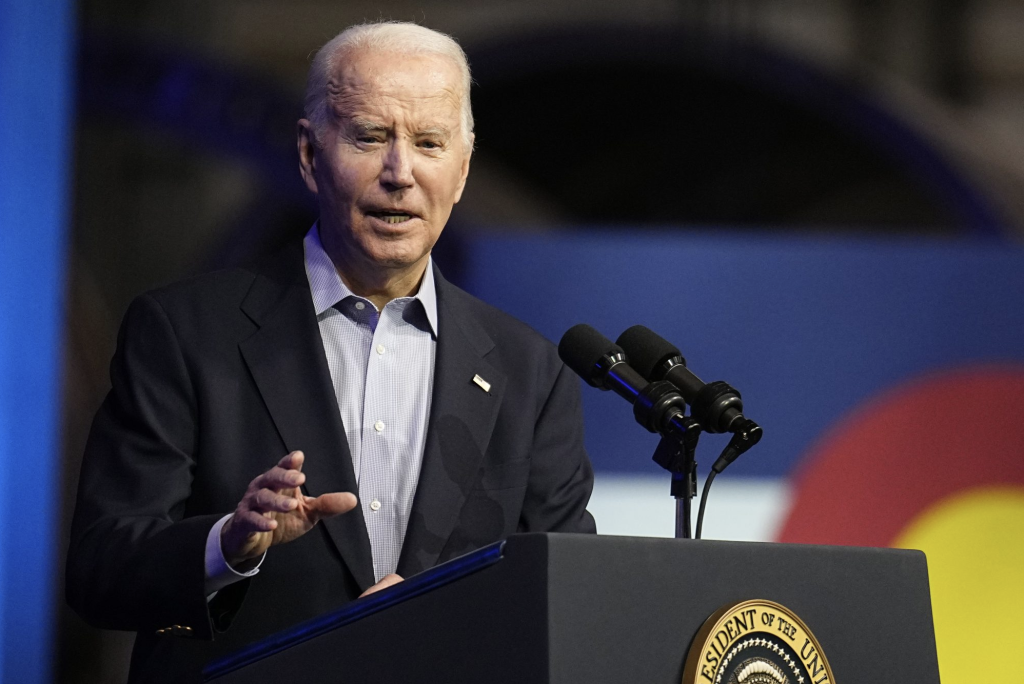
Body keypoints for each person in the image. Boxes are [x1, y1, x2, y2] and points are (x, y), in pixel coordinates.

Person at [66, 21, 596, 684]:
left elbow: (567, 593)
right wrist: (226, 545)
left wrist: (455, 619)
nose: (400, 173)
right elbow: (100, 572)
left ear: (460, 170)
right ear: (310, 155)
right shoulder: (183, 332)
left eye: (429, 143)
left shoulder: (528, 371)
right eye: (370, 137)